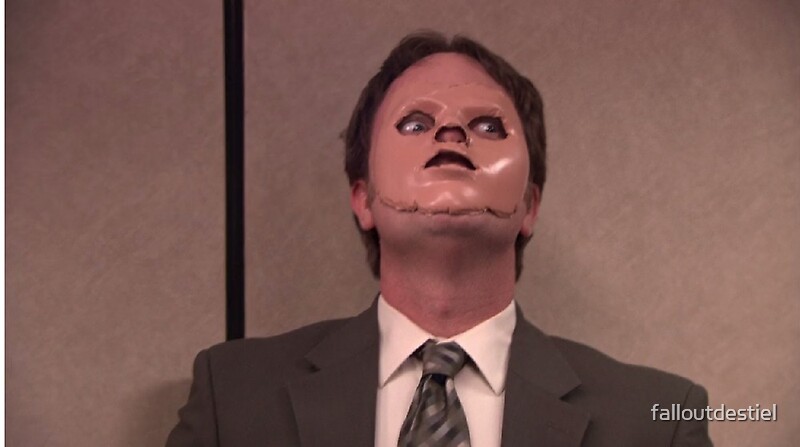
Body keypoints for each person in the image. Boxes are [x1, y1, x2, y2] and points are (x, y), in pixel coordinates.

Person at [166, 32, 713, 447]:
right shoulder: (231, 398)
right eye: (414, 124)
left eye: (488, 127)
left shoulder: (658, 420)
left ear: (530, 205)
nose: (450, 134)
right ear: (363, 199)